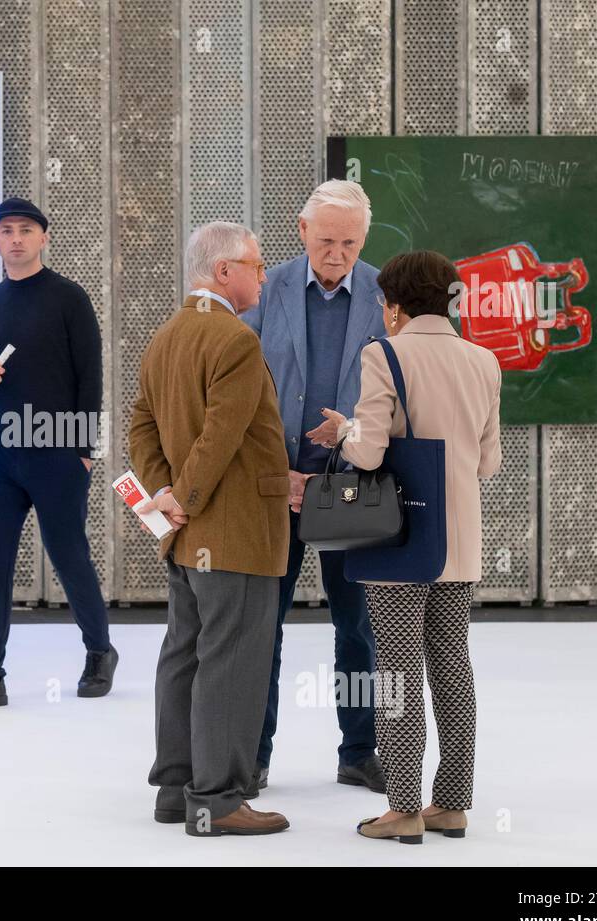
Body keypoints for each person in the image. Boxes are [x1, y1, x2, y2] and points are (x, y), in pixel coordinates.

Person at [313, 249, 501, 843]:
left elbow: (367, 452)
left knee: (395, 671)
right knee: (452, 667)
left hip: (401, 544)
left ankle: (402, 807)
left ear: (391, 305)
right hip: (460, 540)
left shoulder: (384, 355)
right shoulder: (484, 360)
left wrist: (342, 429)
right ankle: (452, 803)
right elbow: (488, 462)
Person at [129, 221, 292, 837]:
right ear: (224, 272)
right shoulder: (235, 341)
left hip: (182, 532)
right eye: (254, 262)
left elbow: (141, 427)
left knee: (184, 653)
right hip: (235, 531)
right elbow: (220, 438)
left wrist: (165, 498)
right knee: (231, 660)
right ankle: (217, 800)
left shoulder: (166, 336)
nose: (263, 272)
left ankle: (176, 788)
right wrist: (188, 498)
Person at [0, 198, 116, 710]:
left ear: (43, 238)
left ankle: (99, 651)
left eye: (26, 230)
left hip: (57, 447)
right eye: (6, 231)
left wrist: (84, 450)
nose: (15, 238)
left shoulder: (69, 299)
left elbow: (91, 377)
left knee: (68, 556)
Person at [241, 179, 387, 795]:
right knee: (260, 626)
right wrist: (282, 470)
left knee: (359, 627)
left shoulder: (386, 294)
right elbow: (236, 386)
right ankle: (253, 757)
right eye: (326, 240)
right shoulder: (266, 289)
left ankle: (360, 752)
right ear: (302, 232)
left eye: (350, 242)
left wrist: (351, 434)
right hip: (276, 485)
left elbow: (403, 394)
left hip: (354, 487)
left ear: (364, 239)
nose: (337, 254)